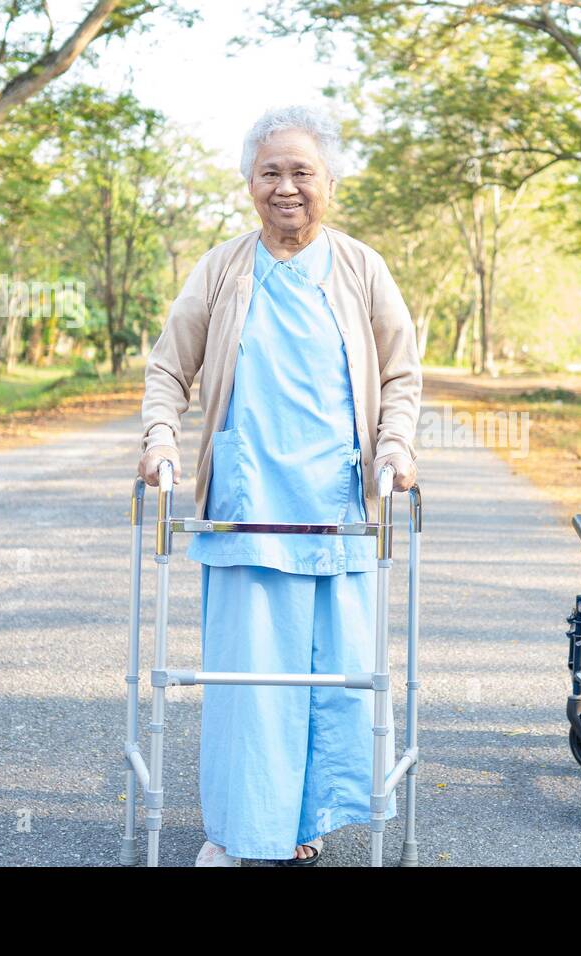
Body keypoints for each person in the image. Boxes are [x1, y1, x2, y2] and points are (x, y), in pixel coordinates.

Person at [137, 103, 421, 865]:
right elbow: (169, 367)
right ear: (249, 183)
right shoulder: (223, 267)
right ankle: (235, 835)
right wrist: (160, 438)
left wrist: (395, 449)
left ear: (329, 182)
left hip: (338, 507)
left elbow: (400, 373)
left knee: (328, 680)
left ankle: (301, 826)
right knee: (251, 683)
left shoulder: (362, 267)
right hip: (248, 501)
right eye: (271, 173)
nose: (286, 187)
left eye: (302, 172)